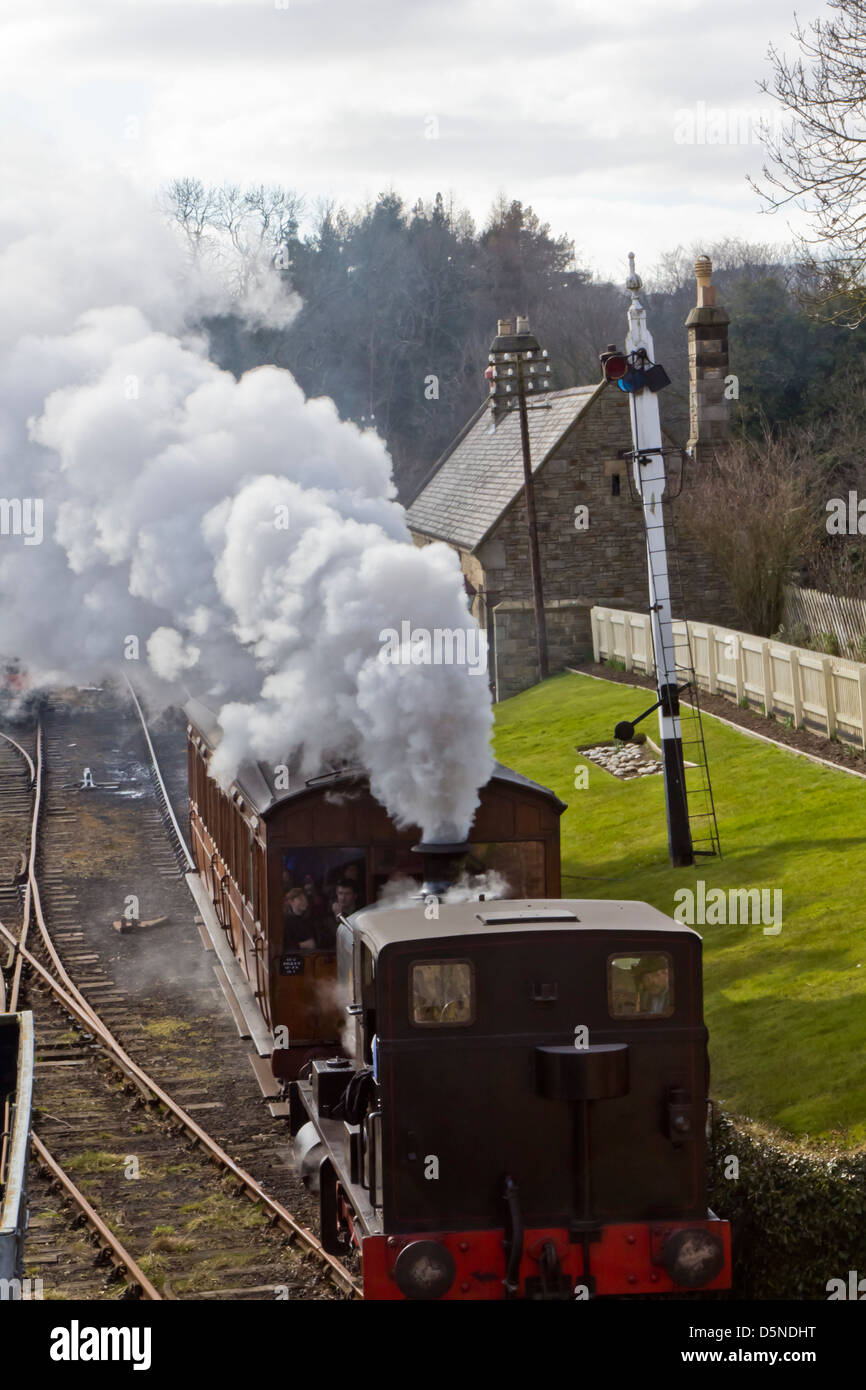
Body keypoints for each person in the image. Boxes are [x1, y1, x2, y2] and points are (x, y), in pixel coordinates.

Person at [283, 887, 316, 952]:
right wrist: (303, 945)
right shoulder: (287, 921)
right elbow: (286, 944)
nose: (305, 901)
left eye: (305, 898)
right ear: (291, 902)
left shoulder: (309, 919)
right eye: (300, 899)